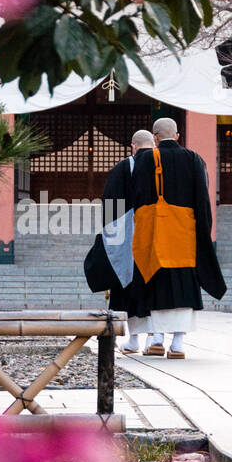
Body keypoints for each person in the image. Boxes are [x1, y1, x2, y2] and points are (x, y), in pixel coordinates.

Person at [129, 117, 226, 358]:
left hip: (154, 232)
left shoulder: (144, 159)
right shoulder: (193, 159)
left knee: (156, 280)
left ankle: (157, 339)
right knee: (184, 281)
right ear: (178, 136)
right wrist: (203, 231)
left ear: (155, 137)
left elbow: (135, 197)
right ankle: (178, 344)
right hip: (184, 232)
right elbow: (202, 200)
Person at [83, 129, 154, 353]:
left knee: (126, 285)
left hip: (129, 236)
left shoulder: (124, 167)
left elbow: (111, 203)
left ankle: (131, 339)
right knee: (154, 285)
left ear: (133, 146)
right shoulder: (162, 167)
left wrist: (112, 231)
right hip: (157, 234)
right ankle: (155, 339)